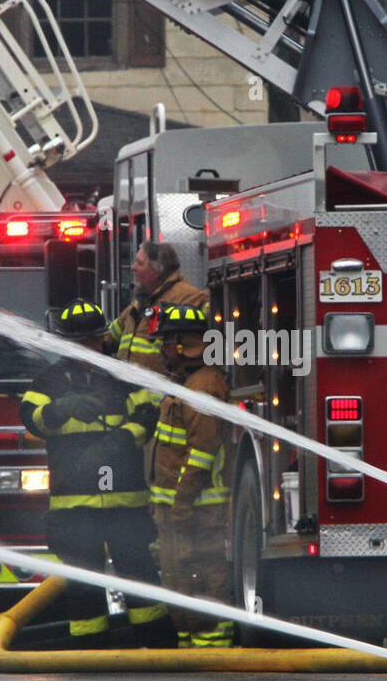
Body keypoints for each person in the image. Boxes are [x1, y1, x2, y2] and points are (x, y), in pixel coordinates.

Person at [19, 299, 175, 648]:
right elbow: (30, 416)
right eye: (77, 343)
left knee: (139, 576)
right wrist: (60, 408)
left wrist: (122, 439)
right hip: (74, 506)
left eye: (91, 340)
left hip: (125, 501)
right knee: (83, 584)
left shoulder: (121, 377)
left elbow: (148, 413)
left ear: (103, 338)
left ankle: (157, 649)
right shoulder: (49, 381)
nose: (85, 348)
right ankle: (91, 654)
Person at [148, 303, 233, 647]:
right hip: (178, 508)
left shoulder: (202, 388)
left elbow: (200, 454)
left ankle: (211, 644)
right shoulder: (187, 384)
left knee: (203, 572)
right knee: (180, 574)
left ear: (182, 343)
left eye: (166, 342)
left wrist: (181, 502)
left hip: (197, 508)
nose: (162, 349)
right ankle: (188, 644)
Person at [109, 242, 208, 377]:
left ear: (157, 271)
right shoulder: (140, 304)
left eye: (139, 263)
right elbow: (110, 337)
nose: (133, 268)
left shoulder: (190, 298)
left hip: (162, 394)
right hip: (129, 393)